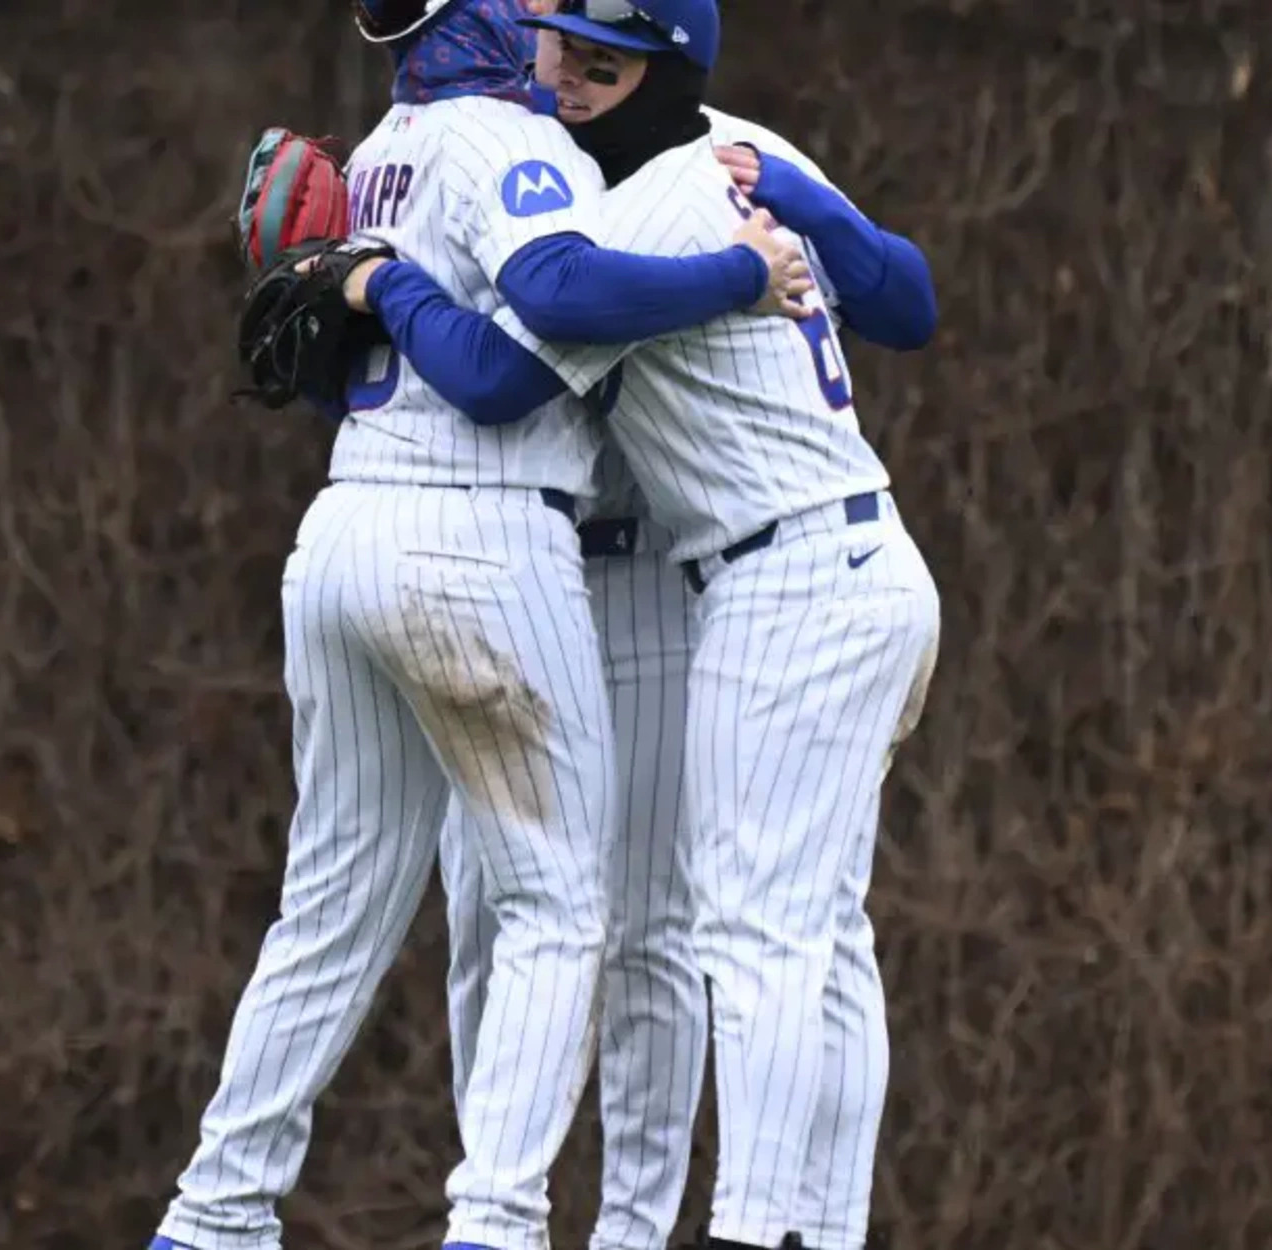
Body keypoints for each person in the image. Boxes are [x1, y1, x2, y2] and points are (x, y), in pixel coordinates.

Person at [144, 3, 818, 1250]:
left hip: (345, 530)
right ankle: (498, 1225)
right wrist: (738, 273)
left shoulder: (381, 148)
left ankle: (212, 1216)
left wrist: (375, 280)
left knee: (327, 912)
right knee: (559, 909)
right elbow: (529, 342)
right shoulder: (510, 140)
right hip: (478, 541)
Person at [342, 4, 944, 1247]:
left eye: (595, 59)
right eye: (557, 43)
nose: (560, 72)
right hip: (859, 562)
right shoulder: (740, 148)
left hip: (787, 578)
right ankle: (819, 1228)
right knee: (824, 933)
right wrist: (811, 212)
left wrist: (377, 279)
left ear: (657, 70)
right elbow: (906, 299)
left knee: (755, 929)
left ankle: (753, 1227)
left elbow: (501, 373)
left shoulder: (640, 215)